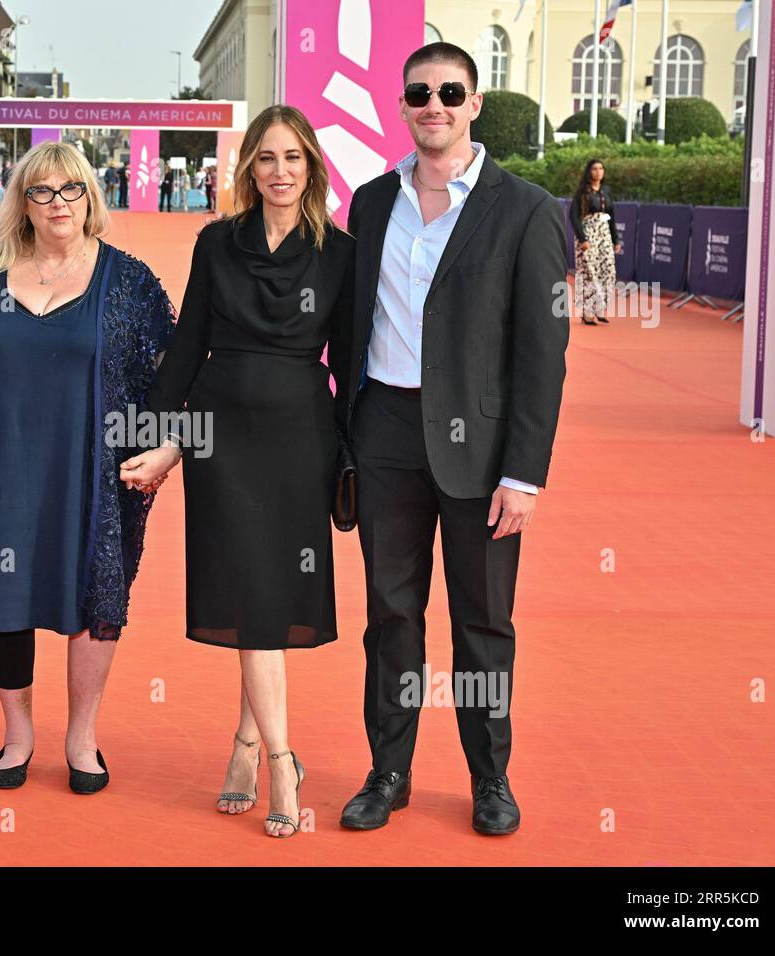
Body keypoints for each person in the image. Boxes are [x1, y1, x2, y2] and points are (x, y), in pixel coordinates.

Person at [331, 42, 568, 836]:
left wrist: (525, 475)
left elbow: (543, 354)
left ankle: (489, 777)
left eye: (450, 92)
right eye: (419, 93)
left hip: (484, 447)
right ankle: (388, 770)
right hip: (387, 433)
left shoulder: (526, 210)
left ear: (474, 104)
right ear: (402, 105)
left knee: (483, 623)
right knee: (391, 617)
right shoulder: (370, 204)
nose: (433, 104)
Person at [0, 142, 175, 793]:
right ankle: (17, 733)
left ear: (91, 196)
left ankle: (82, 736)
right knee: (7, 597)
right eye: (43, 191)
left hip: (95, 470)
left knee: (95, 593)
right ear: (22, 202)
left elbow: (177, 374)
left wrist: (170, 446)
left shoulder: (129, 281)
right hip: (2, 467)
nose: (59, 203)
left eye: (71, 190)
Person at [120, 105, 355, 838]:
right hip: (222, 440)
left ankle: (250, 745)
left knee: (268, 599)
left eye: (292, 157)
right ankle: (279, 757)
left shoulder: (340, 254)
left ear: (312, 165)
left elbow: (349, 366)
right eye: (266, 159)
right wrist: (161, 437)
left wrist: (355, 461)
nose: (280, 171)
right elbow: (189, 346)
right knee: (252, 596)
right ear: (248, 169)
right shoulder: (217, 243)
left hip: (299, 442)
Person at [571, 158, 620, 325]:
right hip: (588, 234)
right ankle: (587, 311)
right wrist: (582, 238)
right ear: (589, 172)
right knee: (589, 273)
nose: (598, 172)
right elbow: (574, 216)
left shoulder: (607, 191)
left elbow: (612, 216)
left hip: (604, 234)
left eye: (601, 168)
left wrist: (615, 239)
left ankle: (600, 307)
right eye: (594, 169)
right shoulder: (582, 192)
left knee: (608, 271)